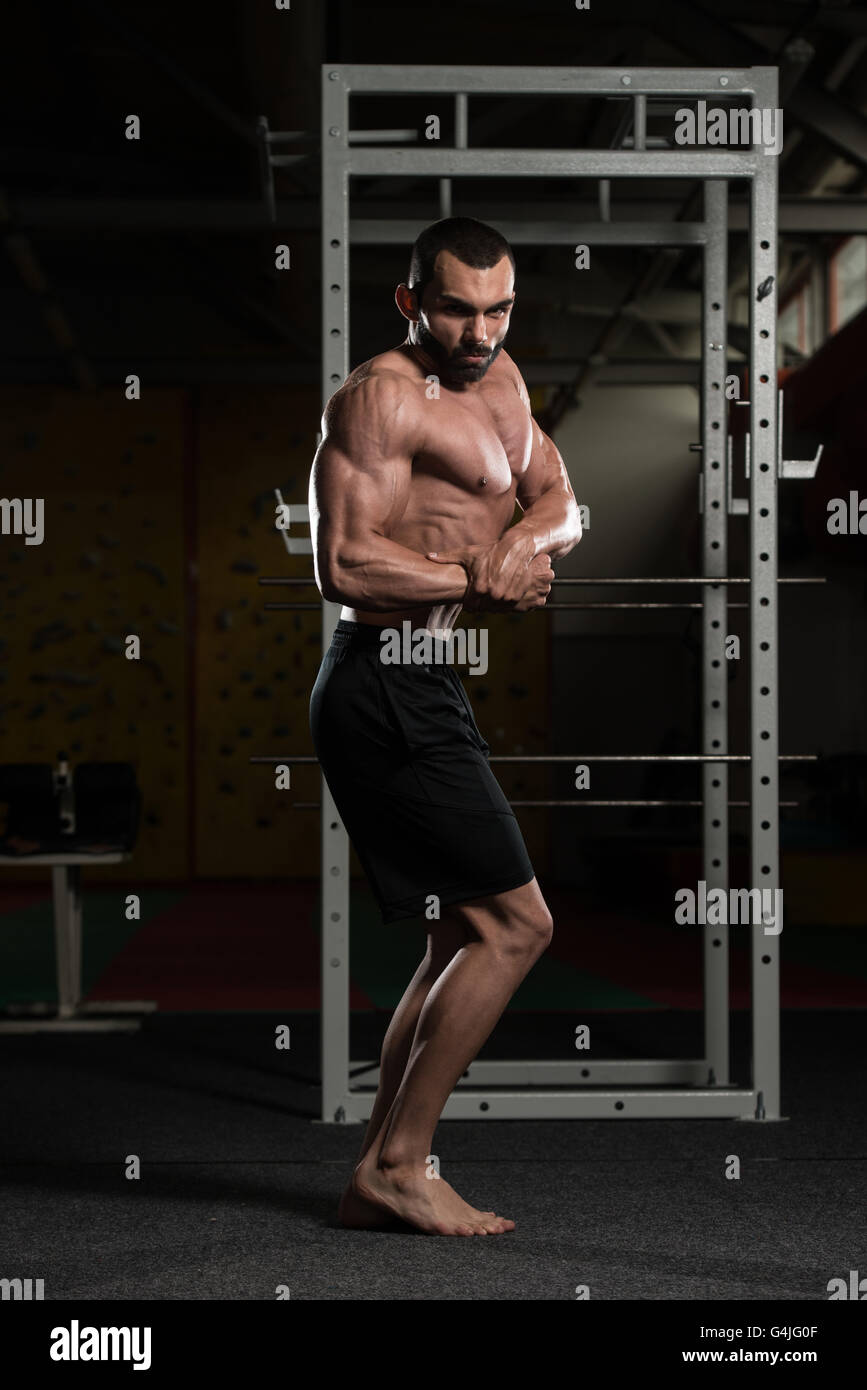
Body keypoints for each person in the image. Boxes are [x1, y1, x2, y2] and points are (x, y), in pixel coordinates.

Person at [308, 217, 582, 1236]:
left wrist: (524, 540)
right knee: (518, 924)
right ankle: (400, 1161)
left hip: (430, 677)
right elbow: (343, 562)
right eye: (458, 308)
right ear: (410, 300)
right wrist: (476, 572)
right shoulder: (379, 397)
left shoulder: (505, 385)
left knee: (457, 932)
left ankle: (379, 1169)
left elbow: (562, 497)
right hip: (381, 681)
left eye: (500, 308)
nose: (480, 331)